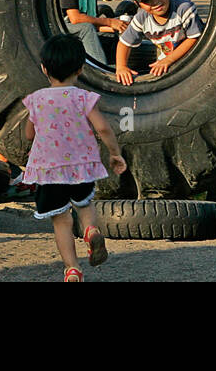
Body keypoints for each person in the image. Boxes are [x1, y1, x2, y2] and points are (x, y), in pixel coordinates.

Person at [23, 34, 127, 282]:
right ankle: (91, 231)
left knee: (61, 221)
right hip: (81, 166)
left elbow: (28, 135)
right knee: (84, 205)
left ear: (44, 68)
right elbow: (102, 128)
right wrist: (115, 153)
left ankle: (72, 269)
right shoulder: (83, 98)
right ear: (81, 68)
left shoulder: (36, 99)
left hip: (49, 170)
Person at [115, 0, 204, 86]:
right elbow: (124, 43)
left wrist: (169, 60)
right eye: (147, 0)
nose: (155, 2)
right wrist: (121, 67)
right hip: (165, 62)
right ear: (138, 4)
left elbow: (194, 38)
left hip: (193, 59)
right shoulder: (142, 18)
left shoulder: (184, 8)